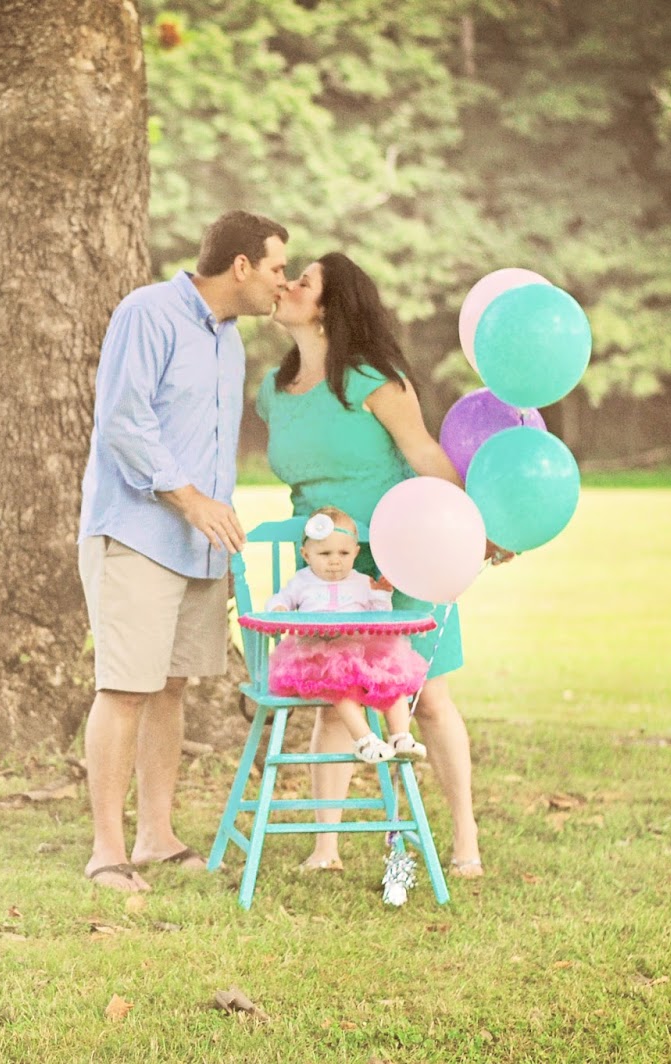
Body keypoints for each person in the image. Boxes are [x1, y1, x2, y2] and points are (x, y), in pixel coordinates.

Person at [256, 251, 494, 878]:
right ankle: (325, 847)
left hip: (403, 557)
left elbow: (425, 455)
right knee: (335, 697)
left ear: (330, 310)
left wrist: (475, 528)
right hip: (330, 569)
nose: (286, 285)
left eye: (302, 281)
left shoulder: (373, 379)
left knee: (429, 697)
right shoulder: (272, 392)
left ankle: (464, 835)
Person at [77, 210, 290, 893]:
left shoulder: (229, 341)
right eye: (279, 268)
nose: (283, 284)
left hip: (197, 548)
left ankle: (155, 837)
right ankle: (106, 851)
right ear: (241, 266)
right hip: (137, 533)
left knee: (170, 688)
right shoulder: (148, 313)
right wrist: (192, 501)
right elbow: (123, 422)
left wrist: (216, 533)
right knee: (126, 687)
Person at [265, 507, 429, 764]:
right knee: (339, 684)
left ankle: (400, 736)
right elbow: (281, 598)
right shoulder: (302, 582)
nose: (334, 560)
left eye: (343, 553)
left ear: (356, 552)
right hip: (316, 655)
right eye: (325, 553)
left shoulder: (362, 582)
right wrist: (279, 608)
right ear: (305, 554)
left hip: (361, 651)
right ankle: (364, 739)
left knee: (392, 677)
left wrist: (380, 595)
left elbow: (380, 618)